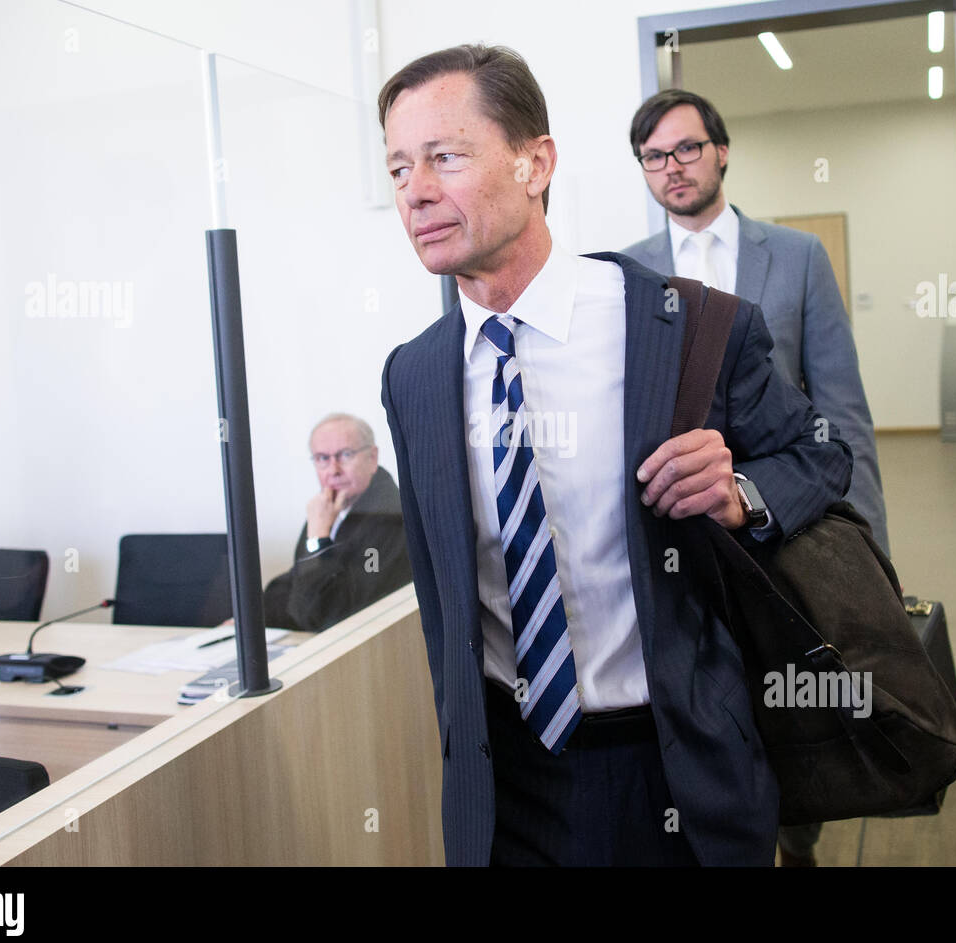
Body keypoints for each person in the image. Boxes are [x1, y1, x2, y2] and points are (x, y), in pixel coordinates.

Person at [377, 44, 852, 866]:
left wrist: (740, 490)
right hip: (504, 789)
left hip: (672, 770)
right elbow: (443, 603)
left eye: (444, 158)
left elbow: (821, 455)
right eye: (397, 169)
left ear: (536, 162)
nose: (415, 191)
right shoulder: (414, 374)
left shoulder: (684, 327)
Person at [622, 89, 891, 867]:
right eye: (653, 157)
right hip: (685, 542)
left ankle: (800, 835)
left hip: (785, 519)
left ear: (722, 151)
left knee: (798, 696)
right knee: (713, 703)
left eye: (686, 149)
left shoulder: (797, 256)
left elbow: (841, 412)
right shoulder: (625, 273)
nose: (671, 168)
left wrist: (868, 546)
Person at [262, 413, 412, 632]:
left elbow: (331, 614)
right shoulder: (329, 509)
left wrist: (319, 537)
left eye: (345, 455)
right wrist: (254, 620)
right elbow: (296, 583)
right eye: (323, 458)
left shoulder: (392, 518)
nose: (333, 470)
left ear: (373, 457)